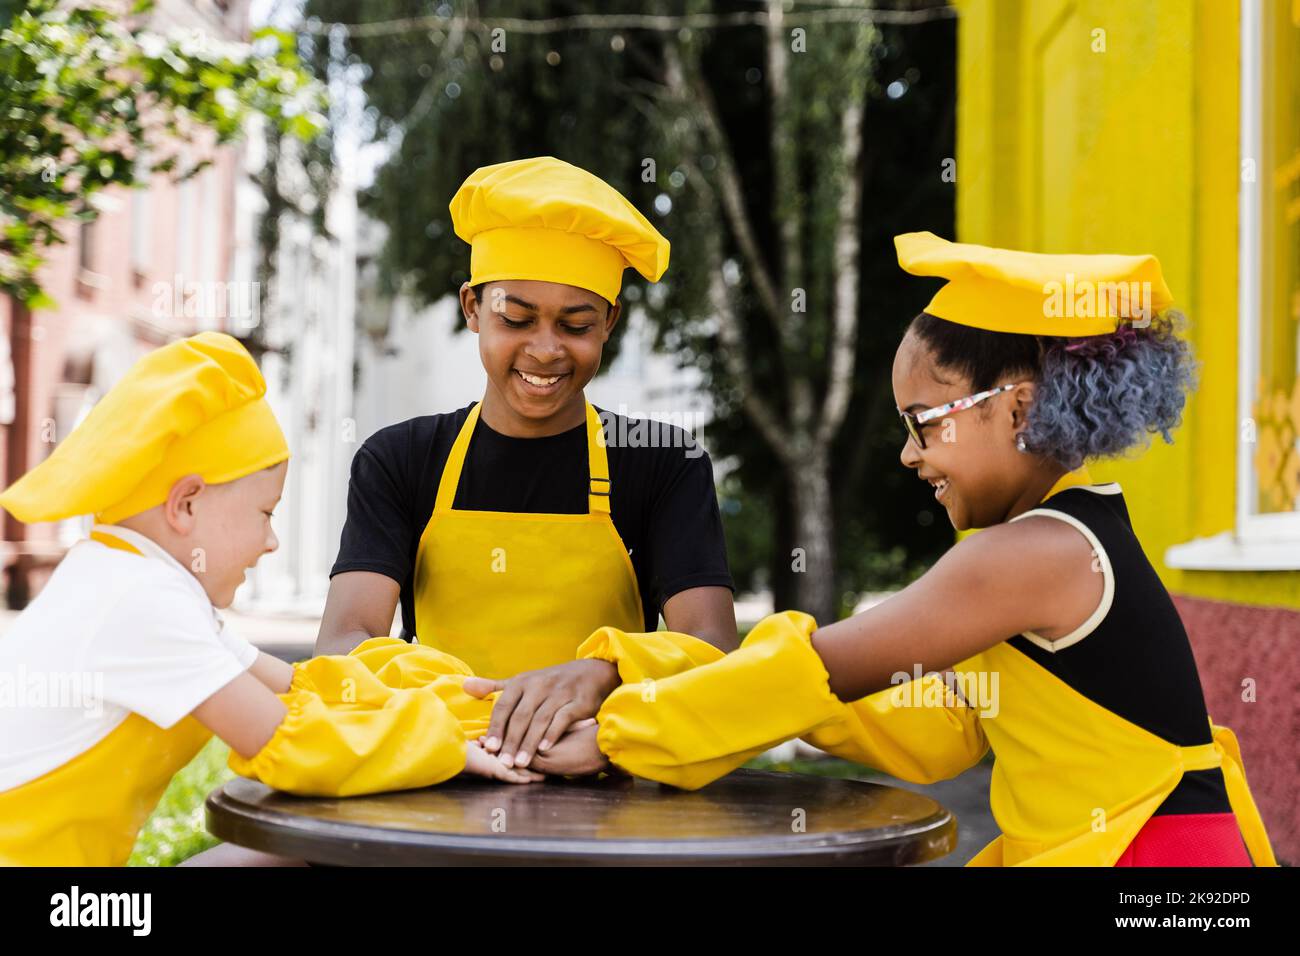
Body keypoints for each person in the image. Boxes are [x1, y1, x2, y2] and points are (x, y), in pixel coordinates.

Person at [526, 232, 1279, 867]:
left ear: (1016, 407)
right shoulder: (1062, 534)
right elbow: (942, 720)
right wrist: (677, 684)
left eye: (924, 423)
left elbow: (820, 667)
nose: (909, 456)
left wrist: (620, 738)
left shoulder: (1027, 556)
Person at [0, 332, 535, 868]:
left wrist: (466, 714)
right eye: (266, 513)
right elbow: (287, 740)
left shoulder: (135, 579)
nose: (271, 541)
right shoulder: (136, 600)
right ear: (185, 504)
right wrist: (445, 753)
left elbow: (305, 688)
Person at [318, 156, 737, 772]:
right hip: (444, 766)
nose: (545, 350)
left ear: (609, 324)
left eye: (576, 326)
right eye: (515, 320)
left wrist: (604, 674)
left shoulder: (663, 464)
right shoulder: (400, 458)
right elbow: (343, 643)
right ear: (471, 307)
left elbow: (712, 649)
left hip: (610, 774)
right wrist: (469, 711)